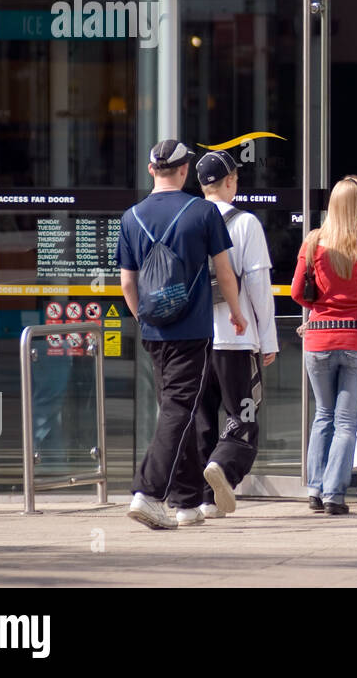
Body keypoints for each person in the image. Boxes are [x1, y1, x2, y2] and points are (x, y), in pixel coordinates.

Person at [119, 139, 246, 530]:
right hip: (192, 329)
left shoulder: (131, 216)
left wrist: (143, 318)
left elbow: (127, 282)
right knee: (178, 409)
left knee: (179, 409)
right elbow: (224, 272)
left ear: (150, 170)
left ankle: (186, 501)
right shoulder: (204, 212)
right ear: (185, 170)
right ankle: (148, 492)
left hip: (154, 330)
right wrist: (237, 313)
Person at [193, 150, 278, 520]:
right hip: (235, 339)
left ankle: (200, 500)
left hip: (191, 339)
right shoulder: (245, 224)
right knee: (243, 415)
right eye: (236, 178)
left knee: (201, 418)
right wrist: (269, 340)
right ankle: (225, 468)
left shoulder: (186, 220)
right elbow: (259, 285)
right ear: (229, 181)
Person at [291, 175, 357, 516]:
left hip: (318, 339)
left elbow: (297, 292)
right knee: (346, 422)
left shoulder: (313, 242)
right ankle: (335, 496)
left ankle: (314, 488)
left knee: (322, 415)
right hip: (355, 338)